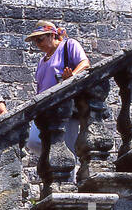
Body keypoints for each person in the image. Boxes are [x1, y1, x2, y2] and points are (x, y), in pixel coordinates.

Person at [25, 21, 90, 159]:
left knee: (67, 147)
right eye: (35, 41)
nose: (37, 44)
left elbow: (85, 63)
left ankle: (69, 177)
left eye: (40, 39)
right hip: (44, 108)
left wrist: (72, 76)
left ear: (51, 35)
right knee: (33, 141)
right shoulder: (42, 61)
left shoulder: (68, 45)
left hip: (66, 106)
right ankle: (55, 164)